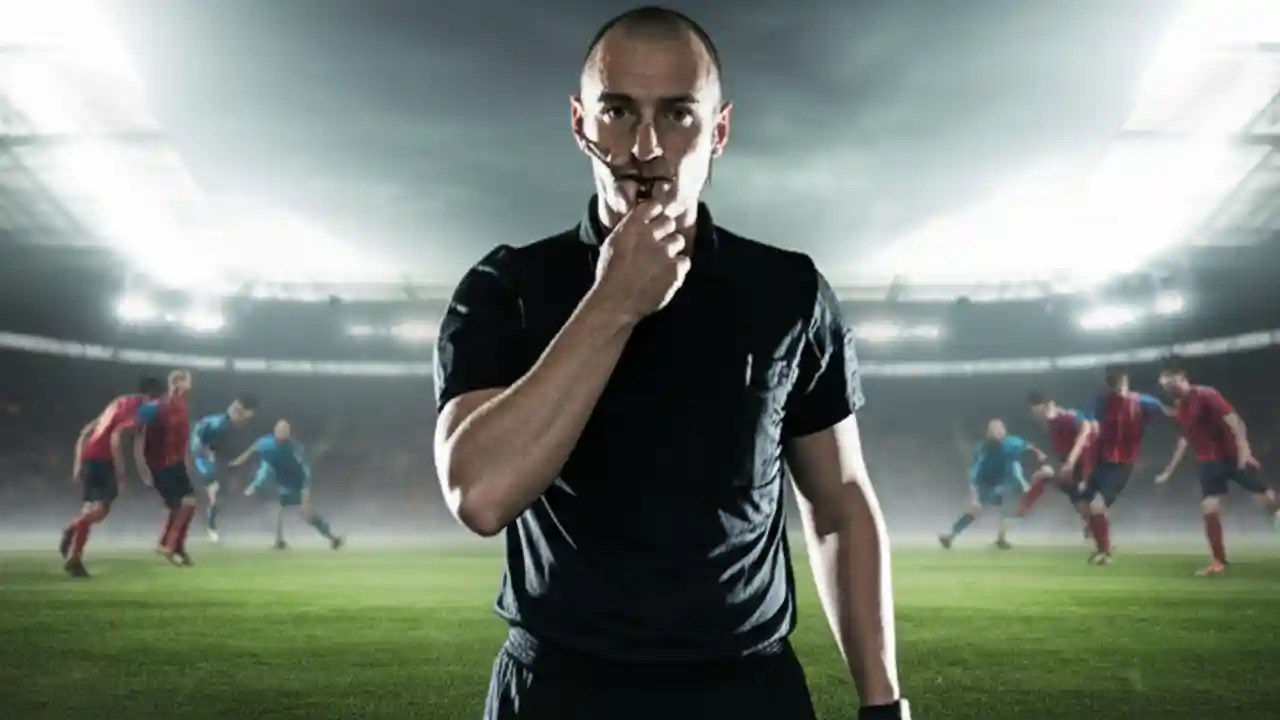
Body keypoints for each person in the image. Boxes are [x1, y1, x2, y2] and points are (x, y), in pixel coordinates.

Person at [433, 7, 905, 719]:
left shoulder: (785, 292)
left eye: (678, 115)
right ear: (579, 122)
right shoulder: (508, 289)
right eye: (617, 111)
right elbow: (480, 495)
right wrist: (613, 301)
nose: (646, 146)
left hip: (747, 691)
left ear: (718, 130)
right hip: (560, 691)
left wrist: (883, 705)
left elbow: (838, 504)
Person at [1154, 358, 1280, 576]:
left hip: (1232, 456)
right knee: (1209, 508)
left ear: (1182, 378)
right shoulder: (1180, 407)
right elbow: (1184, 441)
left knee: (1266, 499)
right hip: (1208, 462)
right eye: (1165, 387)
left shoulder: (1206, 394)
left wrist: (1245, 452)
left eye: (1171, 385)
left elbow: (1235, 421)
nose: (1169, 390)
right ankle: (1218, 561)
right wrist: (1168, 471)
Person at [59, 377, 163, 578]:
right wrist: (120, 472)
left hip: (90, 457)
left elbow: (86, 431)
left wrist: (79, 463)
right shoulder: (143, 412)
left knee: (91, 510)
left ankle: (72, 536)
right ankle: (74, 554)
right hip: (105, 461)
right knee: (99, 512)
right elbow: (118, 438)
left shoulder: (119, 402)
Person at [1084, 365, 1167, 566]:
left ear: (1127, 381)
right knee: (1091, 509)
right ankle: (1101, 544)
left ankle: (1105, 553)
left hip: (1122, 464)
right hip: (1100, 462)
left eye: (1120, 382)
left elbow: (1171, 415)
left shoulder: (1144, 402)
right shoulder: (1102, 401)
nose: (1118, 387)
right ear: (1107, 385)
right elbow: (1090, 423)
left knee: (1096, 507)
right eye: (1112, 383)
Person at [230, 419, 343, 550]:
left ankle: (332, 538)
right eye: (281, 429)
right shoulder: (266, 442)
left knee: (308, 514)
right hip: (278, 484)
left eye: (286, 430)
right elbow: (253, 450)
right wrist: (239, 461)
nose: (284, 432)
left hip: (295, 484)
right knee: (275, 510)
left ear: (289, 433)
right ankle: (279, 542)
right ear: (275, 431)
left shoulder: (295, 447)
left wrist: (305, 491)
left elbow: (305, 468)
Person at [938, 419, 1049, 549]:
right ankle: (951, 536)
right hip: (986, 483)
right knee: (974, 510)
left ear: (1004, 431)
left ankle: (1001, 539)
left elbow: (1028, 445)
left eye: (998, 430)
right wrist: (974, 496)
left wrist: (1039, 453)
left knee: (1011, 505)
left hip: (1007, 481)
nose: (996, 433)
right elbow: (974, 473)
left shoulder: (1012, 443)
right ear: (988, 433)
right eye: (992, 431)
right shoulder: (982, 449)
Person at [1024, 391, 1097, 536]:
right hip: (1068, 461)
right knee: (1076, 497)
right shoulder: (1049, 423)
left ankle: (1097, 526)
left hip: (1083, 460)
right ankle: (1093, 525)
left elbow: (1086, 429)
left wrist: (1071, 460)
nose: (1034, 414)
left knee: (1081, 494)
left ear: (1045, 405)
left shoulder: (1064, 416)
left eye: (1035, 409)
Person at [144, 370, 197, 566]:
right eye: (184, 382)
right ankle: (171, 546)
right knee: (182, 505)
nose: (189, 386)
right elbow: (147, 437)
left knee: (187, 504)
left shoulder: (182, 405)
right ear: (175, 384)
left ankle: (172, 545)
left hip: (175, 463)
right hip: (163, 464)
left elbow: (182, 439)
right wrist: (147, 467)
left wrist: (186, 460)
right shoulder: (163, 406)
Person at [189, 395, 258, 542]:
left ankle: (209, 522)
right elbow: (199, 441)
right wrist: (208, 455)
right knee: (214, 488)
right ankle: (210, 526)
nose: (244, 420)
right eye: (241, 414)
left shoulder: (233, 427)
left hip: (213, 457)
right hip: (200, 453)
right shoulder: (220, 424)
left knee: (219, 493)